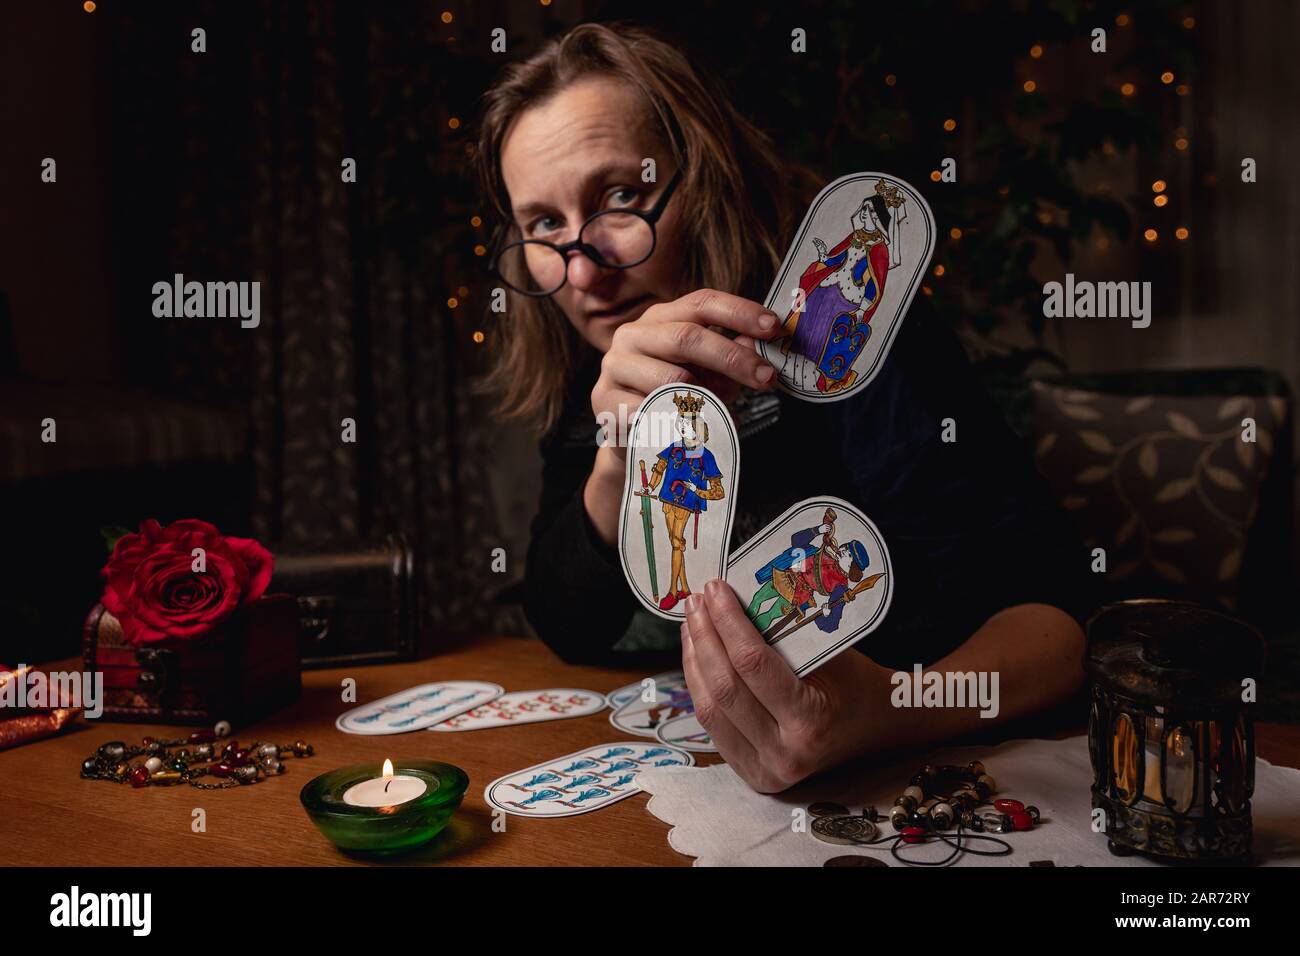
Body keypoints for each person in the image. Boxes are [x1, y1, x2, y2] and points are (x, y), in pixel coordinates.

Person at [475, 23, 1094, 793]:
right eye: (543, 225)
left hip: (933, 768)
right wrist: (615, 454)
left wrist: (889, 710)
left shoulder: (842, 333)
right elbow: (568, 622)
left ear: (705, 177)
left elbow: (1062, 627)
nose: (584, 272)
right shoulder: (592, 368)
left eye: (622, 196)